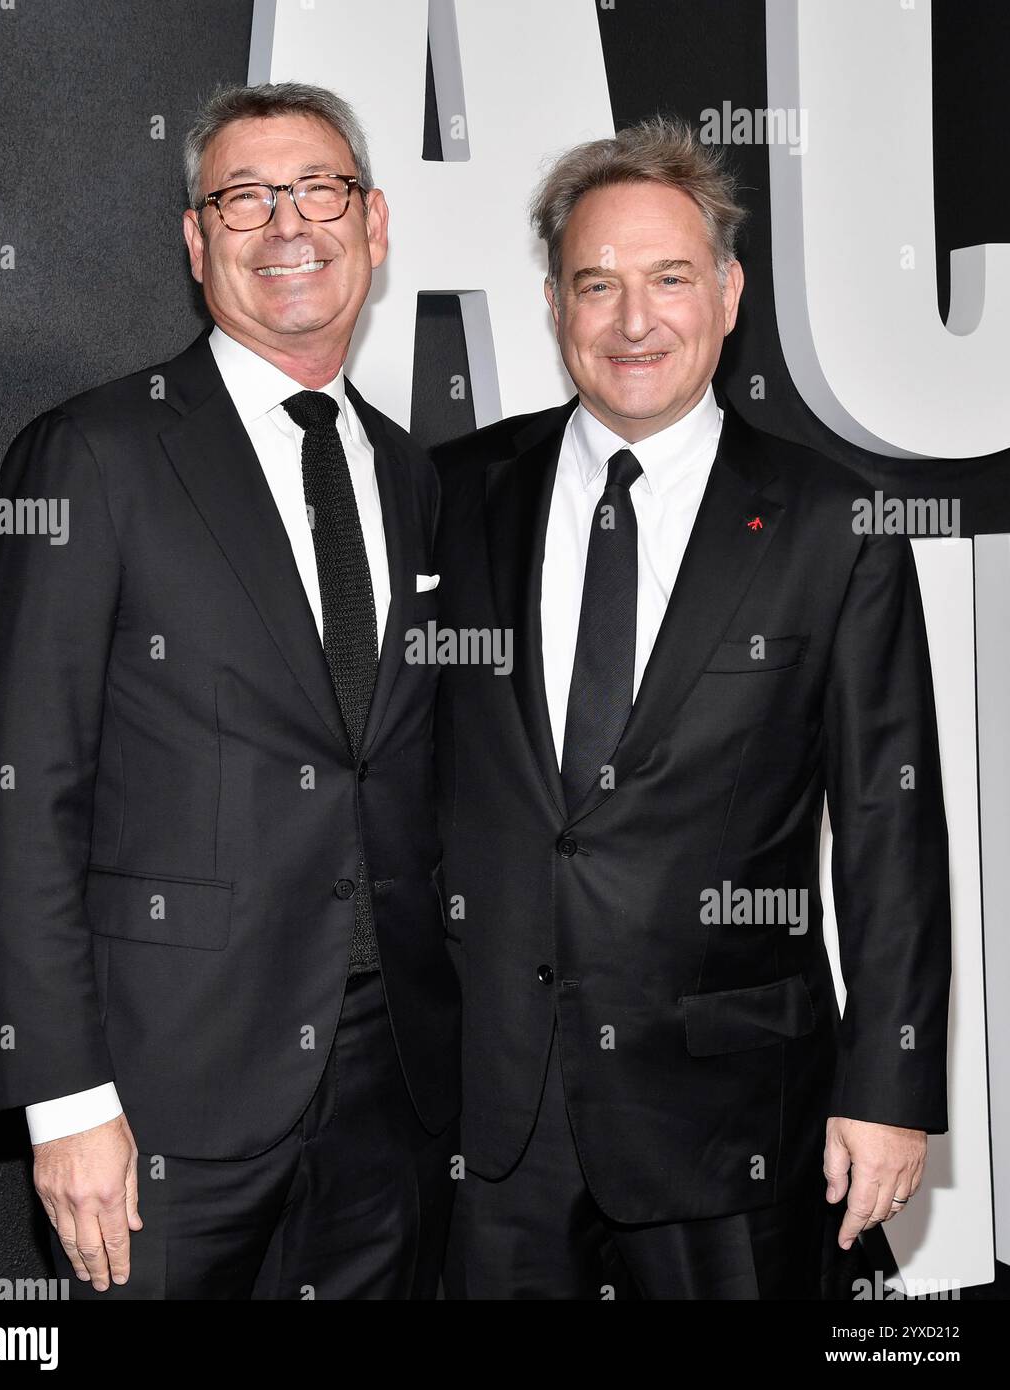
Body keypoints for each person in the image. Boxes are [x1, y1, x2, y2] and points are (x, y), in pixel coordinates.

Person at [431, 116, 951, 1299]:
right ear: (555, 303)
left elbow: (889, 831)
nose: (632, 320)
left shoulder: (833, 524)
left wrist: (887, 1089)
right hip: (492, 1116)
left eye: (667, 279)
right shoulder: (452, 496)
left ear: (725, 293)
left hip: (729, 1112)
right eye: (595, 283)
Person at [0, 81, 459, 1300]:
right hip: (159, 1099)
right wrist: (64, 1101)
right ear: (197, 241)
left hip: (390, 1086)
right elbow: (23, 797)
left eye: (319, 191)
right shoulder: (96, 452)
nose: (286, 224)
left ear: (375, 223)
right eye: (243, 197)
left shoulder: (409, 473)